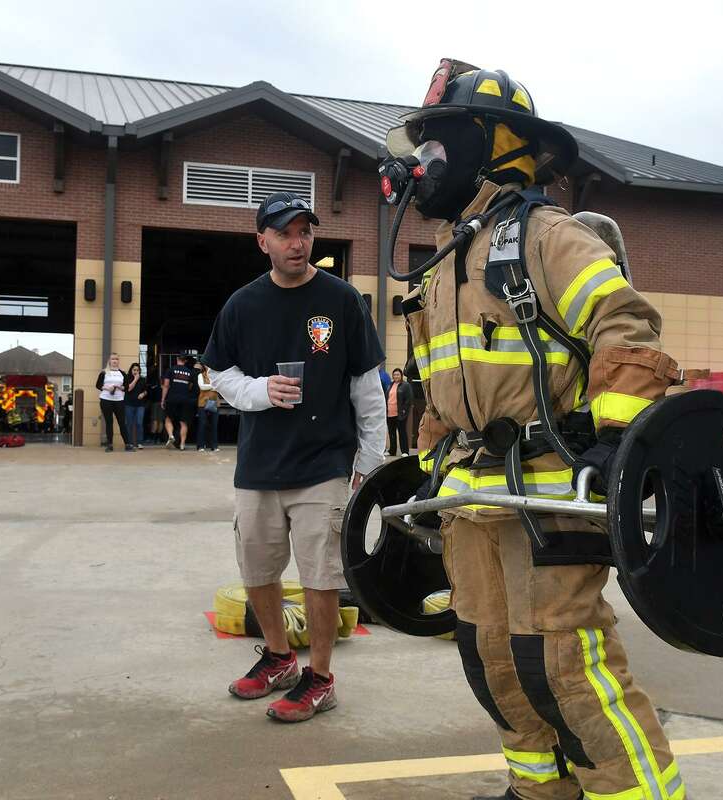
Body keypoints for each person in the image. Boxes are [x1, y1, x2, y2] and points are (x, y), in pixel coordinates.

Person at [388, 62, 684, 799]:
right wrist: (430, 473)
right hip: (471, 504)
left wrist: (616, 441)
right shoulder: (443, 267)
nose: (423, 163)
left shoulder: (549, 237)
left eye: (437, 143)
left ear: (494, 144)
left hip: (549, 497)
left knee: (563, 667)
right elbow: (440, 392)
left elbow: (627, 327)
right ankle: (540, 792)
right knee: (491, 660)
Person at [203, 191, 386, 724]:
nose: (297, 243)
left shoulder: (342, 300)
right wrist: (260, 390)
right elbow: (220, 373)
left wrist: (371, 459)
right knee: (257, 569)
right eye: (284, 233)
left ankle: (321, 679)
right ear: (262, 241)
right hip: (259, 464)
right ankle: (280, 659)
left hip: (323, 463)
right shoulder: (242, 305)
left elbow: (366, 385)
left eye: (304, 232)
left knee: (320, 576)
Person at [95, 353, 132, 452]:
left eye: (116, 359)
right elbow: (98, 385)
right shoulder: (104, 372)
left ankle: (127, 444)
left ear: (118, 361)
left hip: (119, 400)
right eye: (113, 359)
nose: (115, 361)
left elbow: (126, 387)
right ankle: (110, 445)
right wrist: (107, 388)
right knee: (109, 422)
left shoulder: (122, 373)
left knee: (122, 422)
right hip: (106, 400)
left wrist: (119, 387)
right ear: (109, 361)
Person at [160, 354, 194, 450]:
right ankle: (182, 444)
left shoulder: (170, 370)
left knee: (168, 419)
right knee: (183, 422)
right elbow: (190, 386)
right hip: (185, 399)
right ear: (185, 361)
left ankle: (171, 435)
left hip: (172, 398)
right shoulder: (189, 372)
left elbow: (166, 385)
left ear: (177, 359)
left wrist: (163, 399)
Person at [385, 368, 412, 456]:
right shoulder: (390, 385)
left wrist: (404, 411)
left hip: (400, 414)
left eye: (398, 374)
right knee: (392, 433)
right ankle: (392, 451)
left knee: (402, 433)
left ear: (401, 375)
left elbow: (409, 400)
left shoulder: (405, 385)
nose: (396, 376)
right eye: (394, 375)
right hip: (390, 413)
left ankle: (405, 451)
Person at [124, 362, 148, 450]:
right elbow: (129, 389)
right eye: (134, 370)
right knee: (129, 424)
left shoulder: (143, 379)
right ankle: (129, 443)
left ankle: (140, 442)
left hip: (140, 405)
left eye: (137, 370)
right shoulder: (127, 378)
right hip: (129, 404)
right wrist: (135, 379)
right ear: (131, 370)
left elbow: (146, 390)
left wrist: (143, 394)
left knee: (139, 423)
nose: (136, 372)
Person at [196, 365, 220, 452]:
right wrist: (213, 386)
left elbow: (220, 386)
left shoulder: (216, 376)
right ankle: (201, 446)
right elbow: (202, 387)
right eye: (207, 365)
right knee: (202, 424)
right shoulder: (200, 375)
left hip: (215, 403)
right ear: (204, 367)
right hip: (203, 403)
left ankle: (214, 446)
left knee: (214, 425)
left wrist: (210, 386)